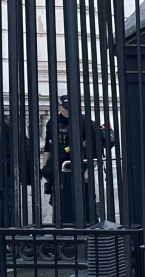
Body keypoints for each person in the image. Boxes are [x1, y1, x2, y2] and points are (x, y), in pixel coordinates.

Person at [41, 94, 108, 226]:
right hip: (59, 167)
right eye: (64, 108)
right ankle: (62, 229)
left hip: (80, 166)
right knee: (60, 201)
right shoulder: (52, 123)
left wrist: (89, 169)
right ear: (59, 106)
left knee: (86, 201)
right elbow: (48, 146)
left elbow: (97, 149)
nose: (67, 111)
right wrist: (46, 168)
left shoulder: (84, 122)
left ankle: (89, 228)